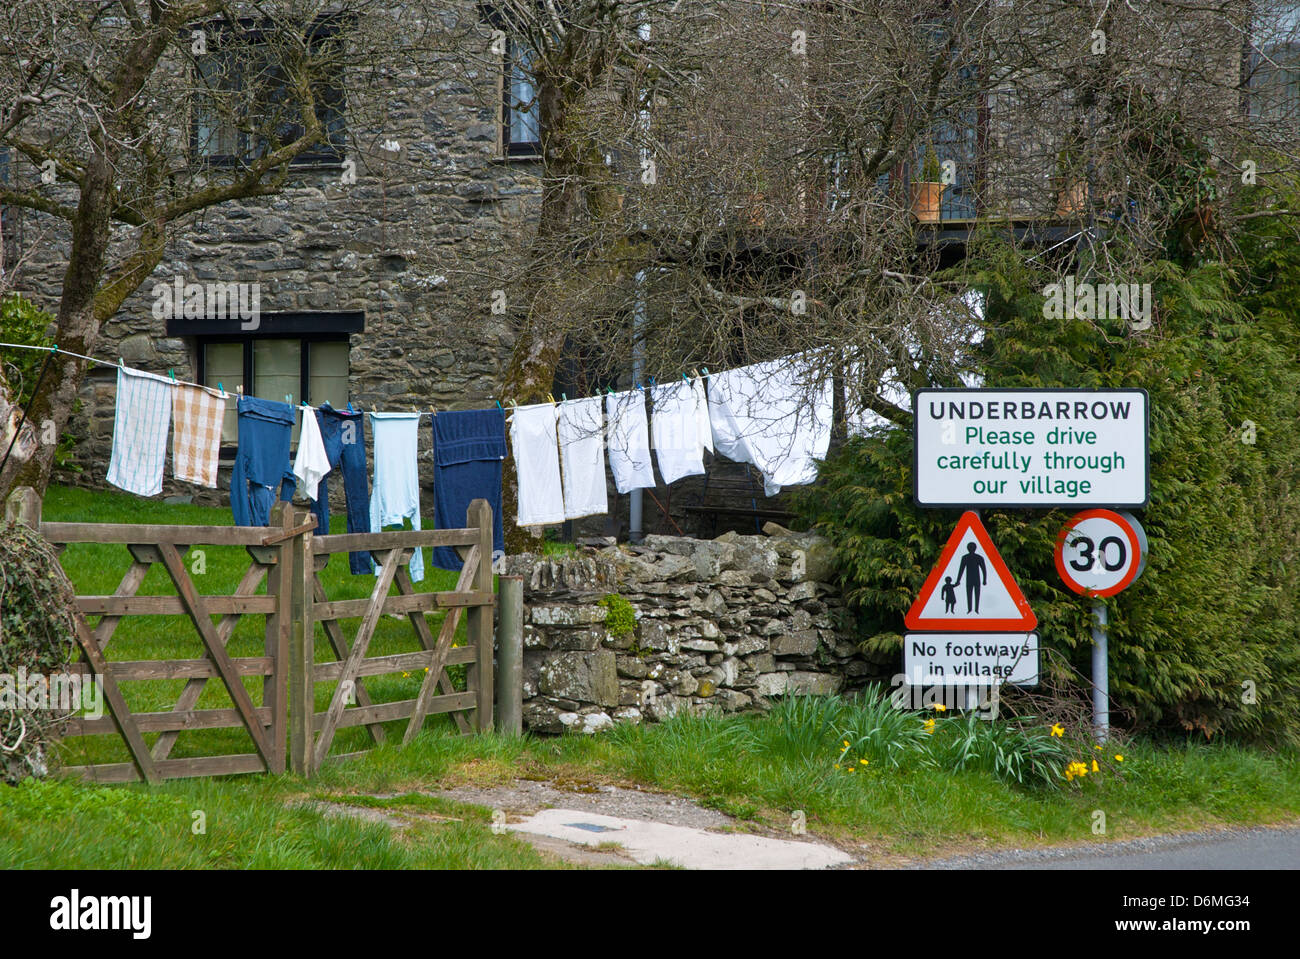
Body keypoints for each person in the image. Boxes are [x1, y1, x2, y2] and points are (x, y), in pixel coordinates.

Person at [954, 542, 987, 614]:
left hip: (971, 579)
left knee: (971, 594)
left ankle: (974, 609)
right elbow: (961, 570)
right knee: (974, 594)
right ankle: (972, 609)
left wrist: (958, 581)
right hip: (974, 579)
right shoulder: (977, 557)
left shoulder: (967, 557)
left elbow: (983, 569)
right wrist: (984, 580)